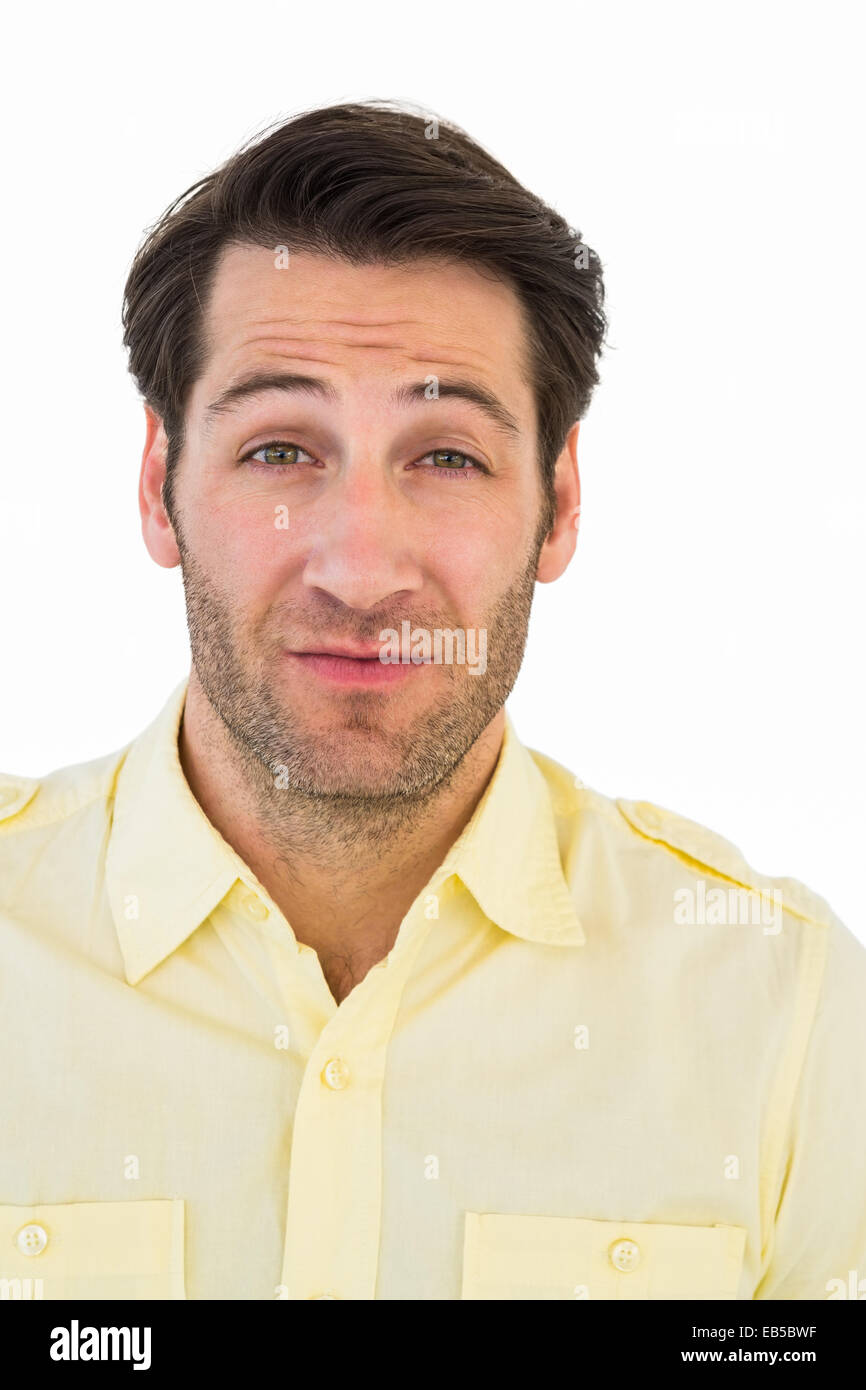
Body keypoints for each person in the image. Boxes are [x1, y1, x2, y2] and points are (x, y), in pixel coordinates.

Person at [1, 101, 863, 1302]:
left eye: (446, 455)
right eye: (278, 450)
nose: (360, 567)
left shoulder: (791, 1018)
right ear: (160, 487)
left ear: (558, 504)